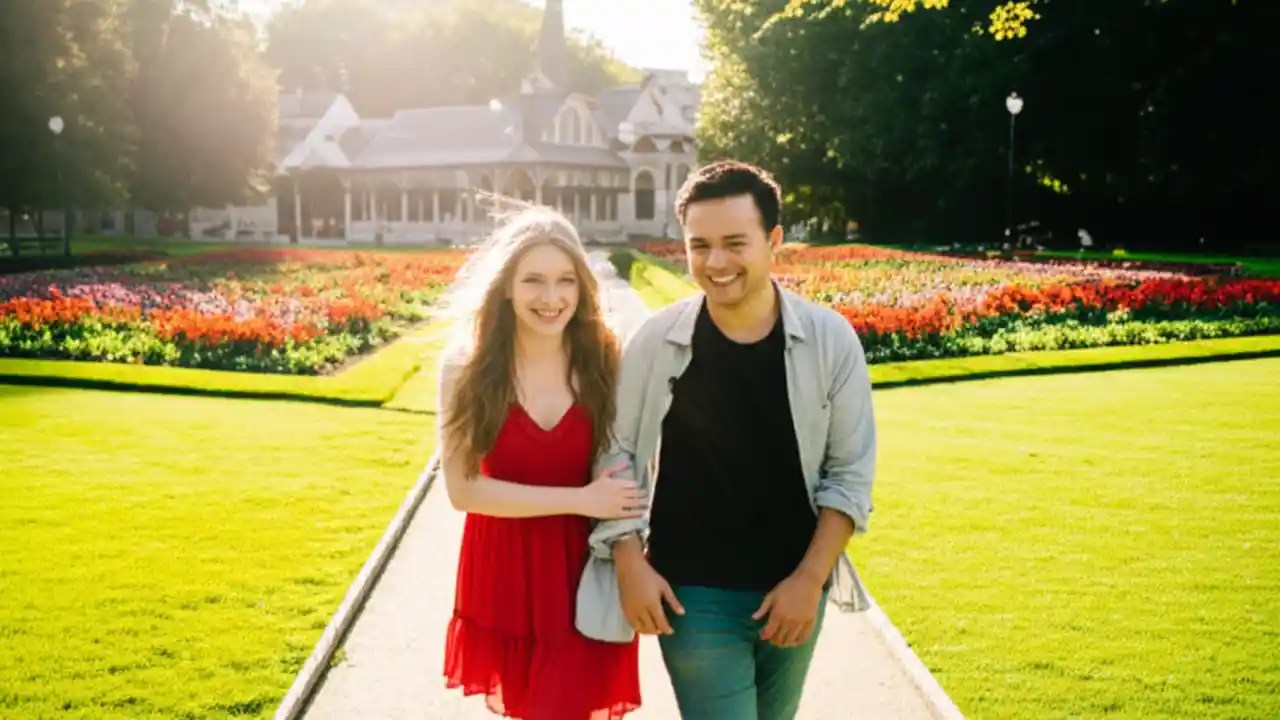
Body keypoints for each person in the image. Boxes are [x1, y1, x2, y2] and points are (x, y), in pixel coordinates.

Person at [588, 161, 877, 719]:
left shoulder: (829, 340)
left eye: (734, 243)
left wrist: (809, 581)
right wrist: (629, 560)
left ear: (774, 241)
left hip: (793, 588)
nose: (715, 263)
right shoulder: (656, 342)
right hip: (691, 593)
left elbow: (850, 472)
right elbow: (614, 452)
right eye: (700, 245)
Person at [438, 205, 643, 720]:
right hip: (506, 567)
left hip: (584, 569)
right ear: (506, 286)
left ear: (582, 286)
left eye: (564, 281)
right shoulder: (467, 365)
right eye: (533, 280)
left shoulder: (605, 359)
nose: (551, 299)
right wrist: (579, 499)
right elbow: (462, 491)